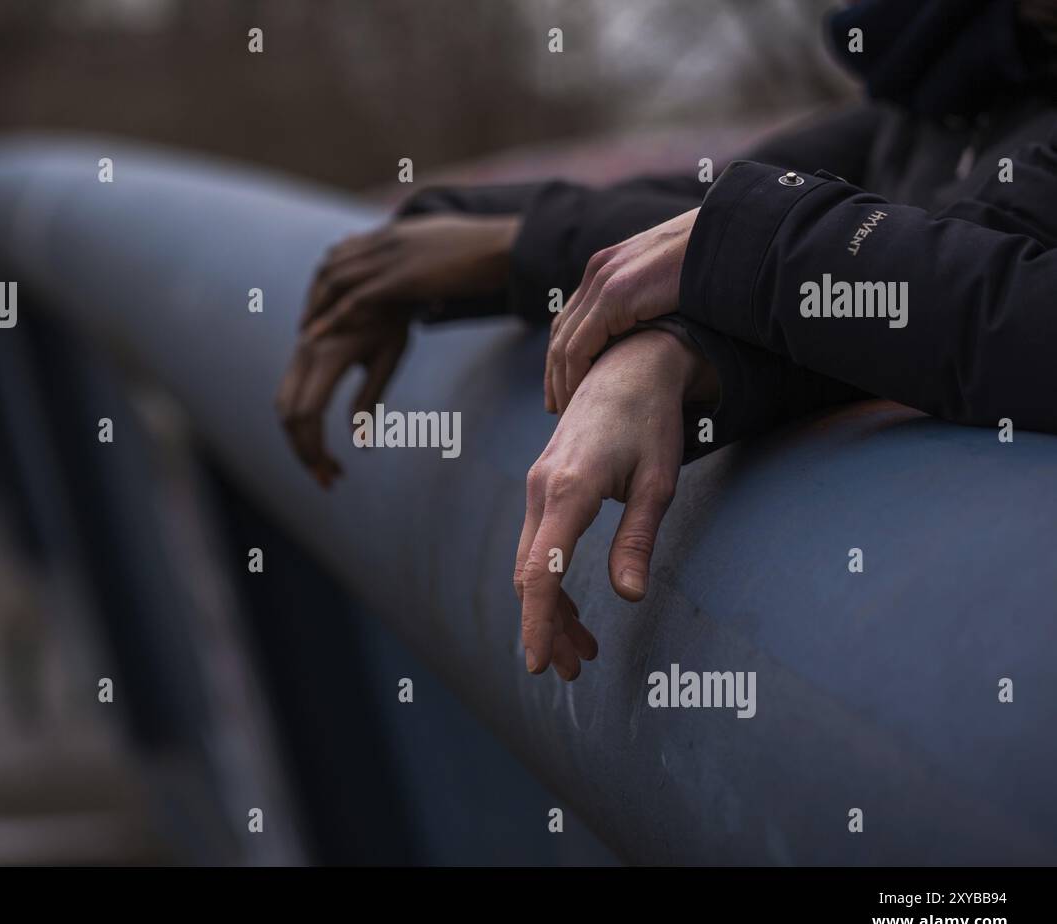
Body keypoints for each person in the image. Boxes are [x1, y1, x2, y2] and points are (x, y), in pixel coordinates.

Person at [276, 0, 1057, 680]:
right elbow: (748, 208)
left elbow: (967, 279)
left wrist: (679, 340)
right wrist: (494, 243)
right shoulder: (968, 66)